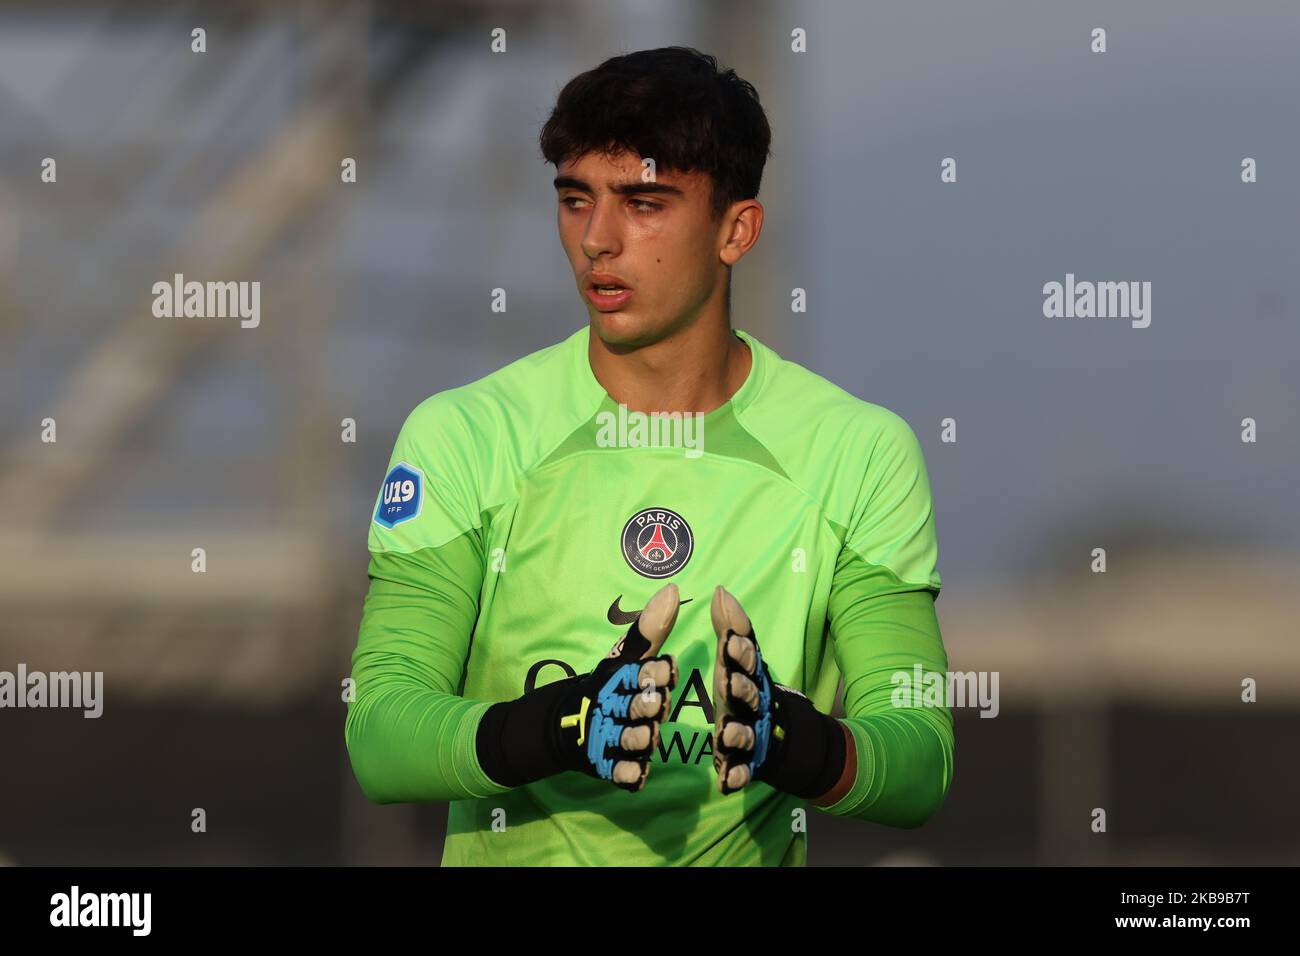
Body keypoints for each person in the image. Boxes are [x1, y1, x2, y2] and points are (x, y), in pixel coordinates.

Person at [345, 46, 953, 866]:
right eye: (575, 198)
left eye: (644, 201)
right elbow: (381, 733)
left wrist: (798, 744)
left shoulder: (859, 451)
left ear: (736, 229)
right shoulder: (465, 435)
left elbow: (920, 757)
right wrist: (560, 727)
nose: (597, 239)